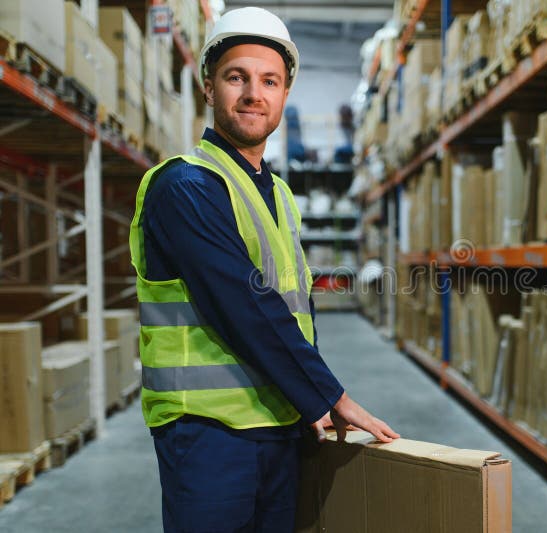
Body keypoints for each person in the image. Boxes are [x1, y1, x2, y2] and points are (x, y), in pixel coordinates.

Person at [128, 7, 399, 532]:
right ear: (209, 87)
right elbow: (244, 305)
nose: (254, 93)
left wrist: (307, 402)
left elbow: (295, 308)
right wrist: (330, 394)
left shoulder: (276, 194)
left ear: (284, 95)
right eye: (237, 77)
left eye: (269, 80)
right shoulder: (185, 186)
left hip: (280, 424)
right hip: (209, 435)